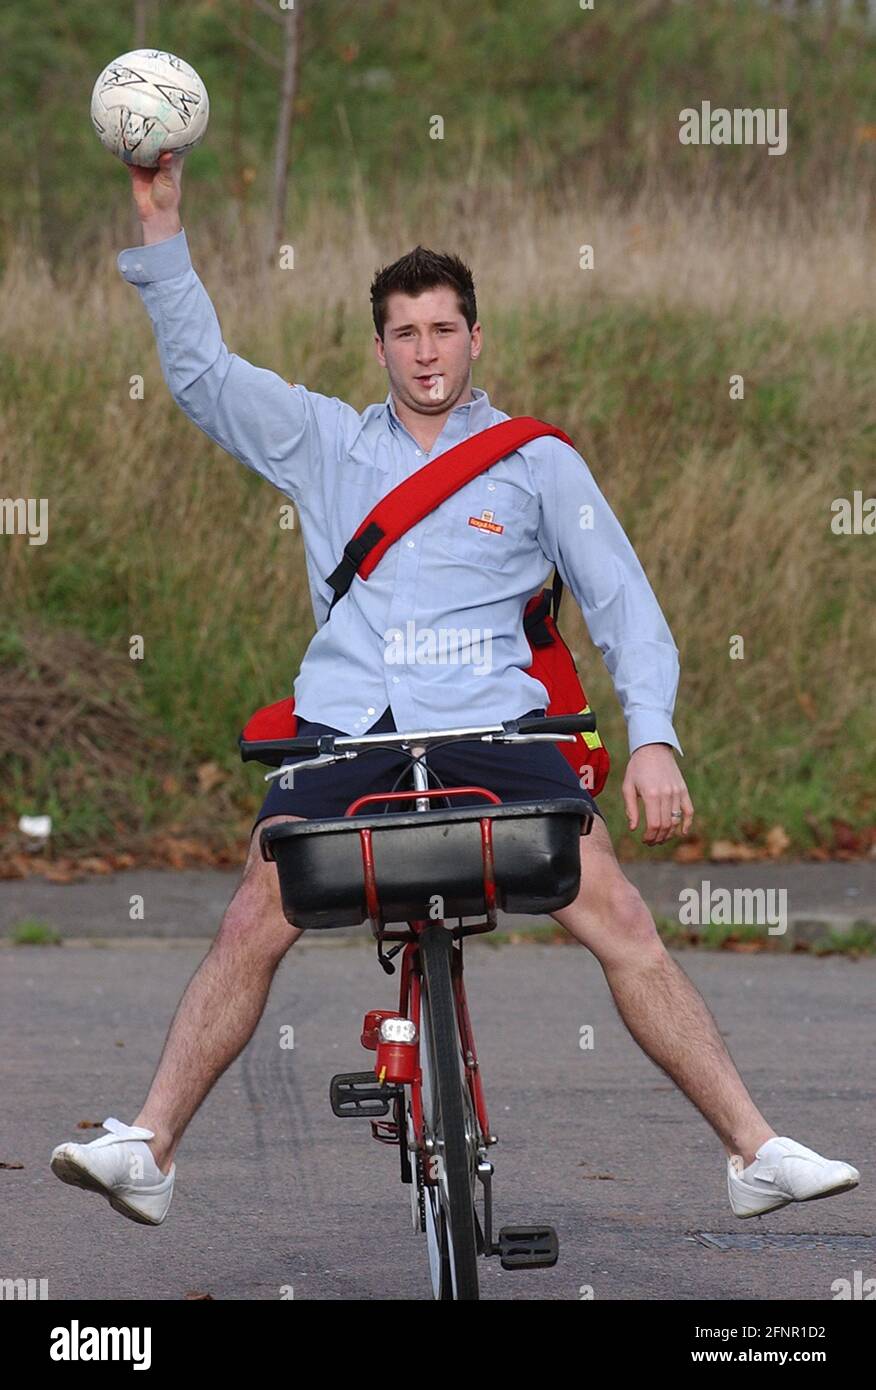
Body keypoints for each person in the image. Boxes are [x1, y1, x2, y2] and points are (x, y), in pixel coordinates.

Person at [51, 152, 858, 1229]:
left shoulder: (537, 464)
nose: (425, 351)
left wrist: (655, 737)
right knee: (255, 909)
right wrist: (160, 221)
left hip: (496, 722)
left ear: (476, 338)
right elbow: (201, 374)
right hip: (351, 734)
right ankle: (148, 1147)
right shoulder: (327, 442)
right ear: (379, 345)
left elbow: (624, 604)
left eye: (443, 329)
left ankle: (754, 1151)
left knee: (617, 910)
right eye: (405, 332)